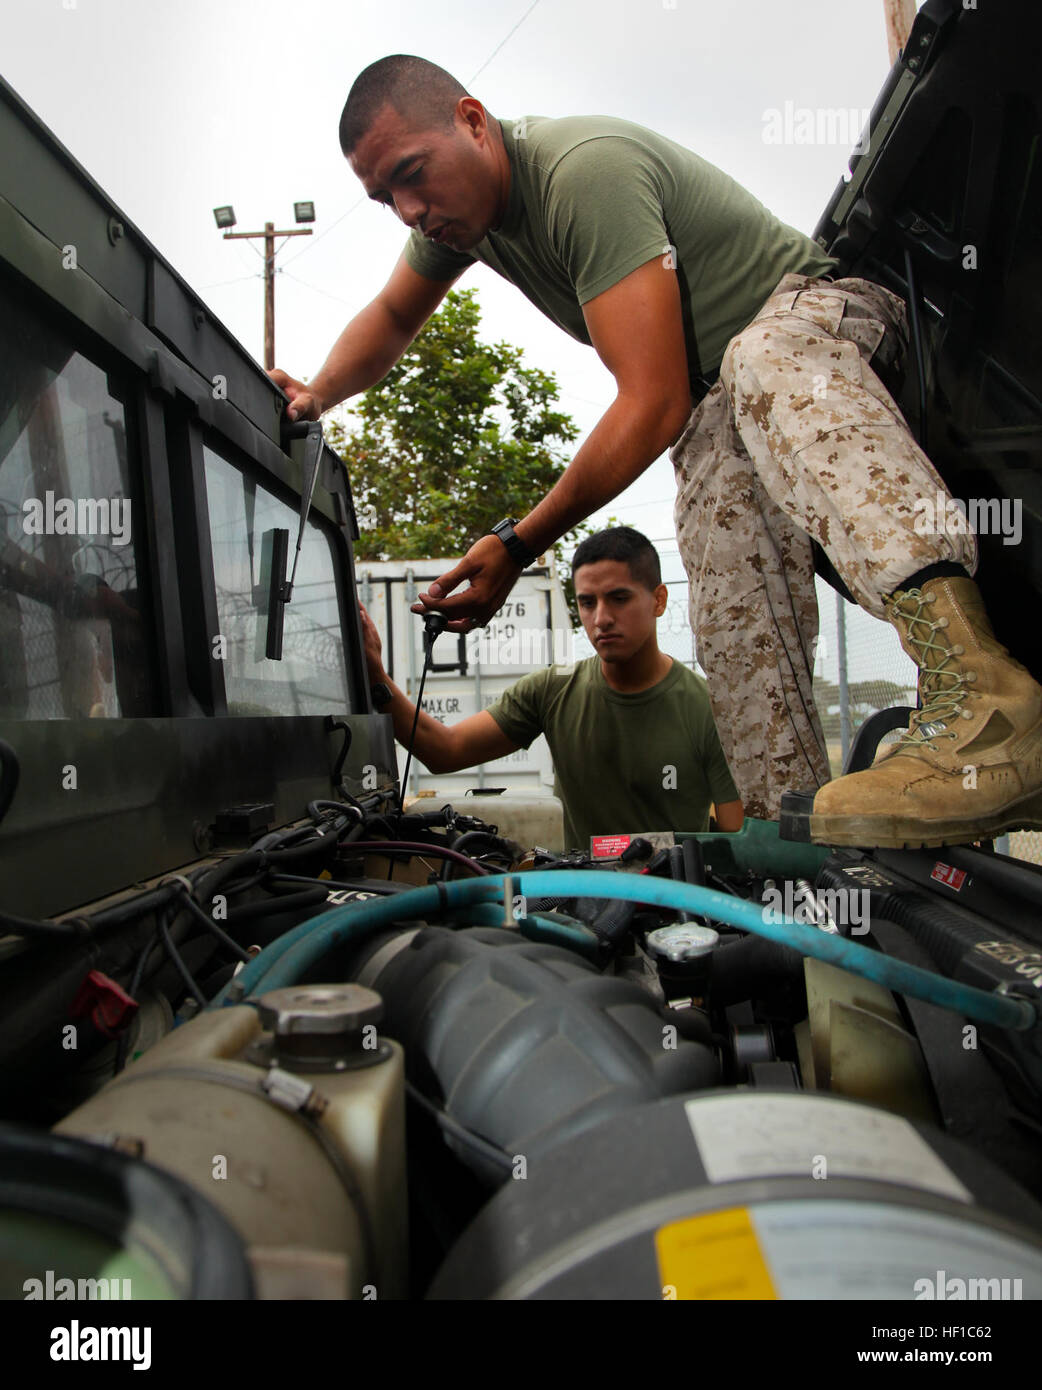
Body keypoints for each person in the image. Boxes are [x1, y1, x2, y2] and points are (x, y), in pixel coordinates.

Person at [270, 54, 1042, 850]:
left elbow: (652, 401)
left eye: (410, 175)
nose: (407, 210)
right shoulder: (461, 218)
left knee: (758, 360)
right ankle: (800, 863)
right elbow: (393, 317)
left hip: (823, 330)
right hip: (719, 407)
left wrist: (516, 542)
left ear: (472, 120)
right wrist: (317, 392)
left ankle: (982, 699)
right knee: (730, 600)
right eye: (382, 198)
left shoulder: (580, 173)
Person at [359, 526, 743, 850]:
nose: (601, 618)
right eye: (588, 603)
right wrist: (376, 674)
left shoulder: (709, 706)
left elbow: (735, 839)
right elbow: (444, 751)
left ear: (659, 600)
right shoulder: (554, 689)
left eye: (619, 598)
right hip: (581, 908)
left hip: (678, 913)